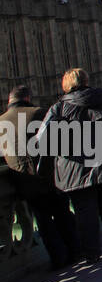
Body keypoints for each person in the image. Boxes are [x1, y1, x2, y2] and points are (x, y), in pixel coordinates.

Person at [36, 68, 102, 261]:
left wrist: (63, 152)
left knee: (85, 212)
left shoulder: (58, 109)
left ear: (66, 85)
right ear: (86, 80)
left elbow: (42, 141)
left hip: (76, 170)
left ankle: (92, 253)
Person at [1, 86, 80, 270]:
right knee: (63, 215)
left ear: (9, 101)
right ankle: (75, 252)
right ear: (28, 98)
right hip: (50, 176)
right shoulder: (38, 112)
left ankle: (58, 259)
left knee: (43, 222)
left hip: (24, 182)